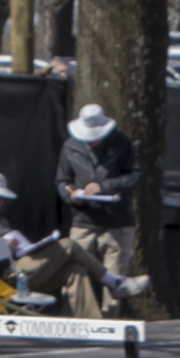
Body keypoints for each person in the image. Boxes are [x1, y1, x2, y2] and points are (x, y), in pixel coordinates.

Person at [0, 171, 148, 319]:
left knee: (75, 269)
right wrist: (4, 248)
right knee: (68, 245)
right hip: (7, 277)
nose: (1, 200)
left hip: (24, 269)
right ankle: (113, 282)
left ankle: (92, 324)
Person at [58, 103, 141, 315]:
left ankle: (109, 320)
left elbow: (134, 176)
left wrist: (104, 187)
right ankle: (75, 318)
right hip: (83, 219)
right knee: (75, 270)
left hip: (117, 220)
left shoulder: (122, 143)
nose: (92, 142)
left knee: (115, 277)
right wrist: (71, 195)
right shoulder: (70, 146)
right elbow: (61, 180)